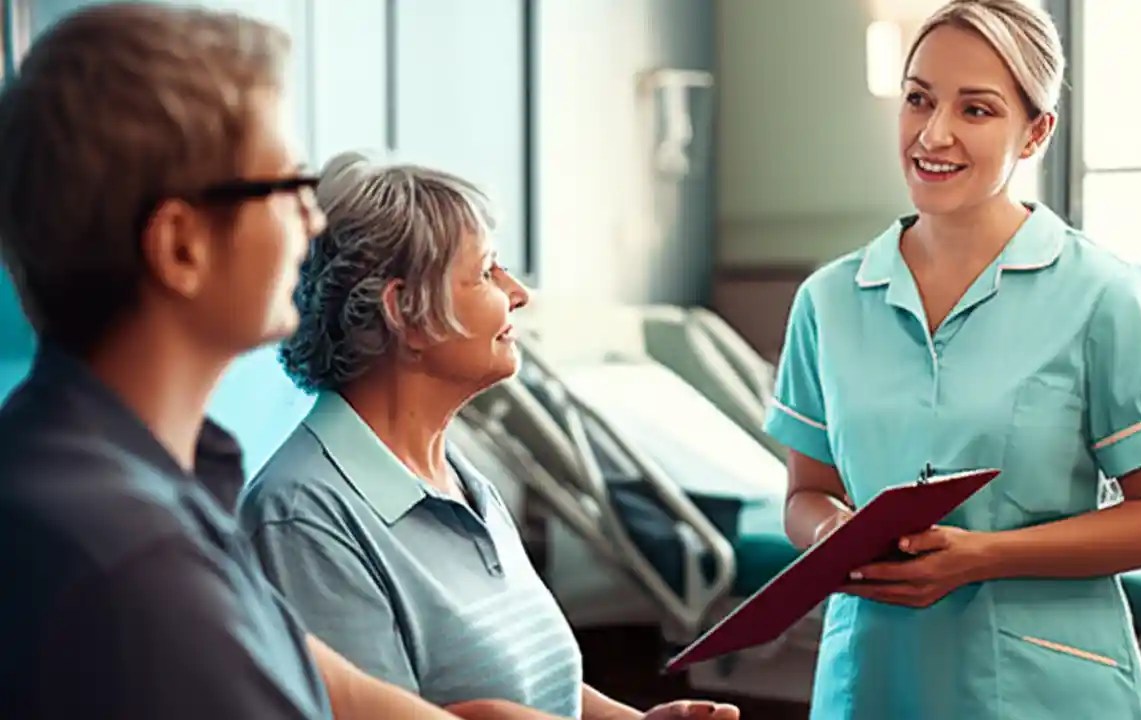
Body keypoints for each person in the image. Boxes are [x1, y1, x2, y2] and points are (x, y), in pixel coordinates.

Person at [0, 4, 565, 719]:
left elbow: (334, 684)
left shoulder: (135, 480)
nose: (313, 218)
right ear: (182, 246)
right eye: (286, 185)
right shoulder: (130, 561)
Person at [764, 1, 1141, 719]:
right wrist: (828, 534)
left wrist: (984, 555)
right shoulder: (829, 301)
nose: (933, 134)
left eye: (976, 110)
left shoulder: (1104, 294)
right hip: (873, 681)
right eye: (918, 99)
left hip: (1048, 691)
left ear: (1036, 132)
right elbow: (803, 494)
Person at [237, 151, 739, 720]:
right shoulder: (304, 518)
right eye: (486, 271)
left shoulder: (459, 482)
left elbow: (536, 682)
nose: (518, 292)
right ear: (406, 312)